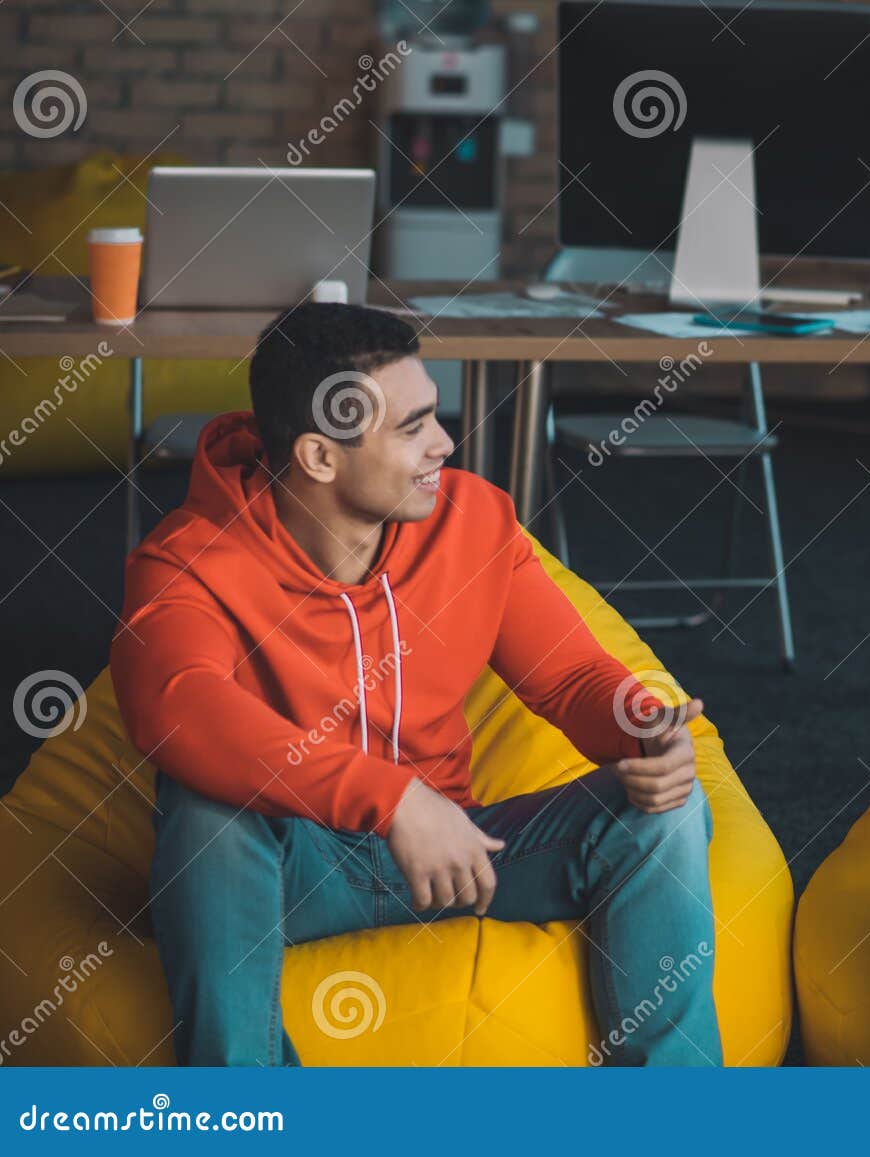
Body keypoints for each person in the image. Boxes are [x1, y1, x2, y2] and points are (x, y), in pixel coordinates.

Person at [111, 303, 720, 1066]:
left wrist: (644, 727)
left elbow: (569, 676)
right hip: (296, 869)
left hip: (461, 851)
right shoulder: (185, 560)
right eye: (413, 428)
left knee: (662, 805)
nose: (445, 443)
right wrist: (390, 797)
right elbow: (178, 707)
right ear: (320, 457)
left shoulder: (473, 520)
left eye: (435, 416)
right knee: (204, 808)